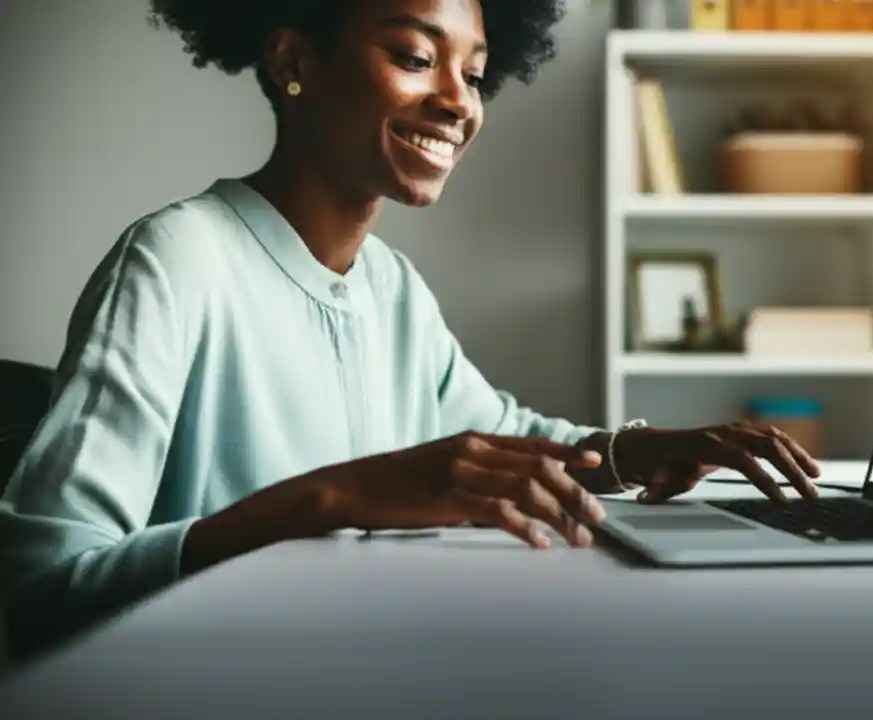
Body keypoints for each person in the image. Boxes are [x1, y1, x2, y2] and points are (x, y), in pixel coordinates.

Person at [0, 0, 821, 658]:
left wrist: (640, 450)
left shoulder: (390, 287)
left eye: (474, 72)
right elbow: (41, 592)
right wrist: (338, 496)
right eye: (415, 57)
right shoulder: (177, 259)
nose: (459, 102)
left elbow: (506, 438)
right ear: (293, 62)